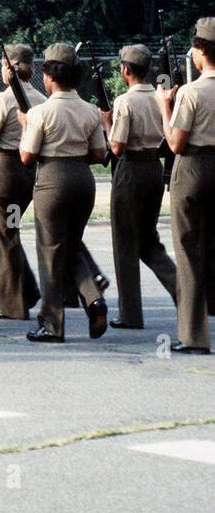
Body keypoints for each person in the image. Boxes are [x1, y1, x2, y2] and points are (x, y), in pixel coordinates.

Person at [19, 44, 110, 343]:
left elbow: (27, 156)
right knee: (70, 246)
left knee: (50, 251)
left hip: (52, 179)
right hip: (83, 179)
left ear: (48, 76)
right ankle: (93, 298)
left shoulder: (41, 112)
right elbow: (99, 153)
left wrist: (25, 126)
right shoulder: (89, 110)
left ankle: (52, 324)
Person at [102, 45, 177, 329]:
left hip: (131, 169)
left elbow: (118, 146)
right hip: (153, 169)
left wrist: (107, 125)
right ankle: (183, 291)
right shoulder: (159, 99)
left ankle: (131, 313)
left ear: (125, 70)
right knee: (148, 240)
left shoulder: (125, 101)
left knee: (125, 243)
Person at [155, 17, 215, 354]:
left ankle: (194, 336)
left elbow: (176, 143)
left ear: (200, 51)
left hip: (193, 167)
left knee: (189, 250)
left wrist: (165, 107)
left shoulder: (191, 93)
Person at [0, 44, 44, 320]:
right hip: (30, 172)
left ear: (9, 68)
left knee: (5, 233)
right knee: (12, 227)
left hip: (7, 169)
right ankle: (29, 289)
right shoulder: (42, 98)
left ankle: (13, 304)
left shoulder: (3, 99)